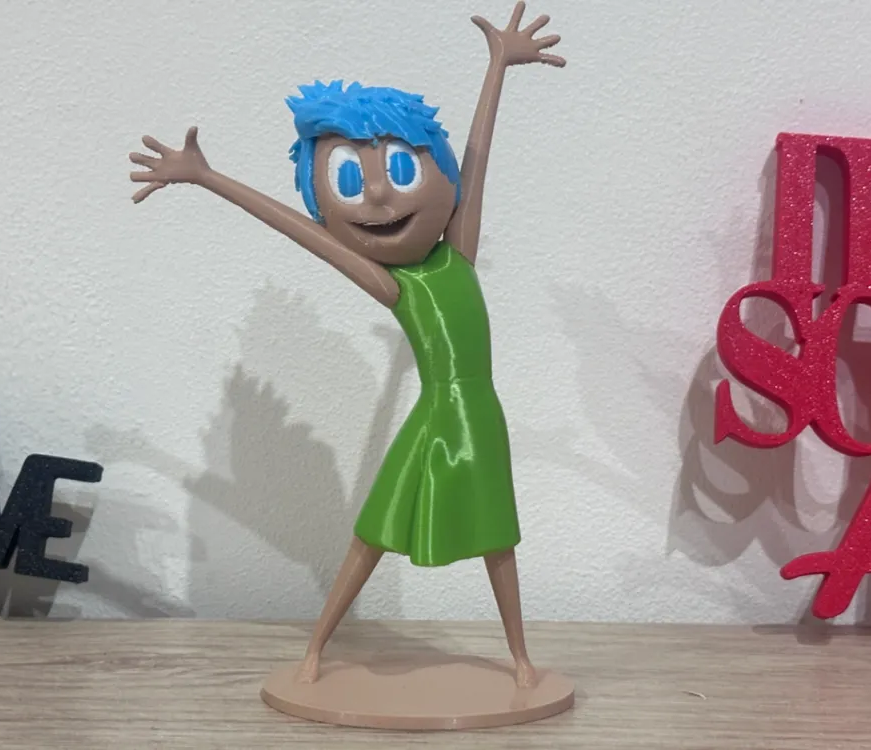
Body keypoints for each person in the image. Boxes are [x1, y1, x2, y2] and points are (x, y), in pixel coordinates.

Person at [129, 1, 564, 688]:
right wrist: (209, 178)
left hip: (484, 419)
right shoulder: (395, 285)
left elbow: (478, 160)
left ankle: (520, 658)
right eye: (351, 181)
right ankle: (316, 648)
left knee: (497, 538)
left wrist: (496, 69)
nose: (382, 197)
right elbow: (302, 233)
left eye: (399, 169)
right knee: (374, 532)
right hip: (438, 420)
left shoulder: (457, 254)